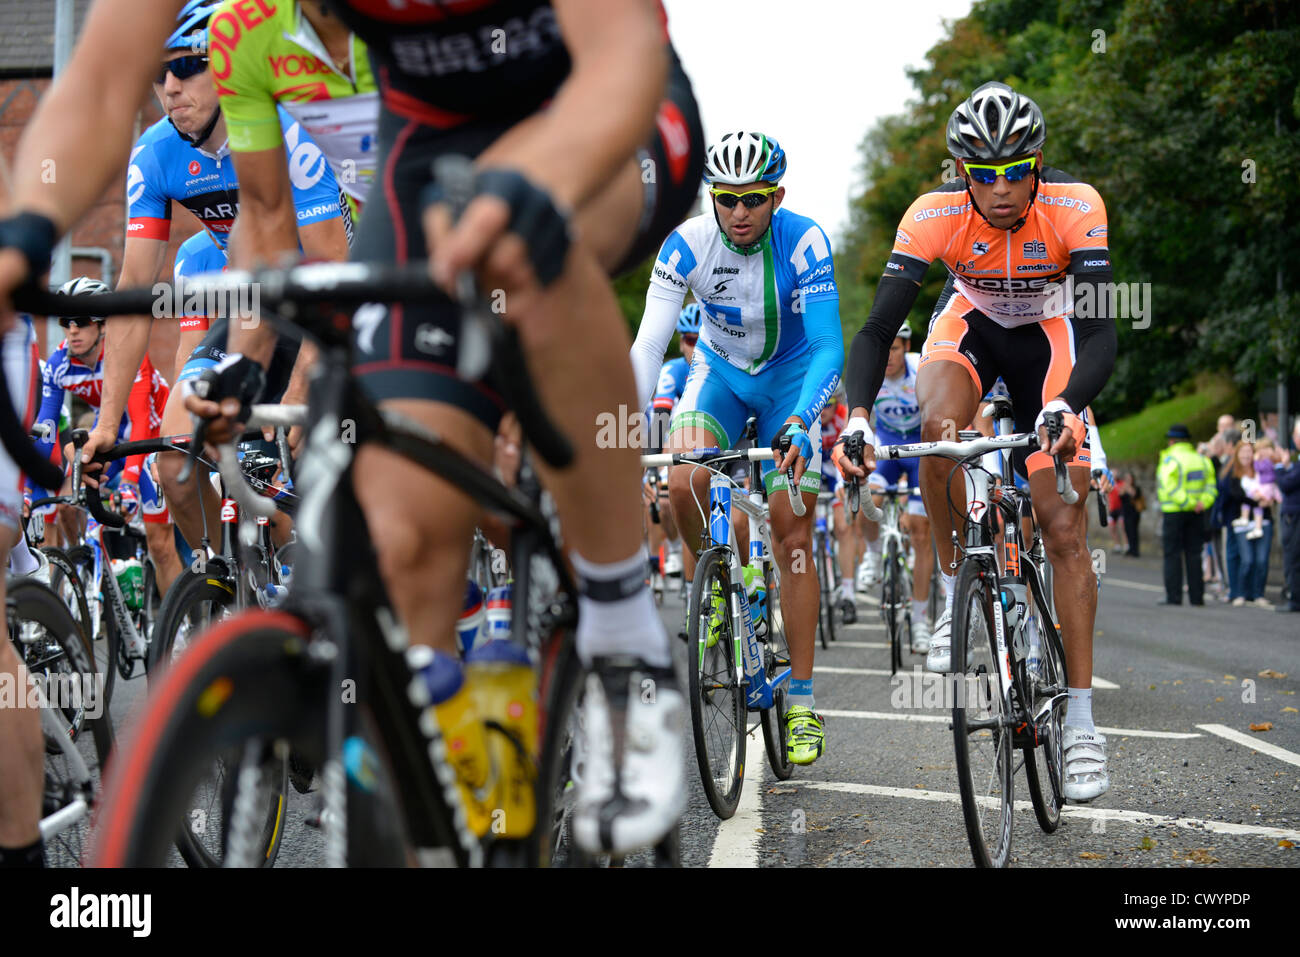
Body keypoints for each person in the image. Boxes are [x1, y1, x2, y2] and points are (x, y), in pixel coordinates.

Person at [835, 81, 1116, 802]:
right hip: (973, 326)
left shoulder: (1075, 207)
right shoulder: (932, 215)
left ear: (1038, 163)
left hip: (1052, 339)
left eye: (1014, 170)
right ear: (962, 172)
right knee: (939, 430)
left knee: (1063, 527)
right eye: (982, 174)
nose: (999, 188)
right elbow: (873, 332)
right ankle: (961, 576)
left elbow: (1102, 332)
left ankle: (1081, 723)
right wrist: (859, 417)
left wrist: (1066, 404)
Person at [630, 130, 844, 766]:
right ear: (713, 198)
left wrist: (805, 421)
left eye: (753, 198)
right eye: (727, 198)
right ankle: (716, 588)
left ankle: (801, 700)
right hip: (721, 375)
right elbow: (647, 346)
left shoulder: (803, 239)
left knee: (792, 528)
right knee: (683, 477)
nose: (740, 211)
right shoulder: (685, 244)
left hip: (792, 381)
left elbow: (830, 345)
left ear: (776, 196)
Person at [1156, 424, 1216, 606]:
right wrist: (1200, 503)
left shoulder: (1170, 459)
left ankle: (1174, 597)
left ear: (1172, 441)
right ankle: (1197, 598)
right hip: (1196, 513)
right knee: (1194, 553)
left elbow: (1169, 485)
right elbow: (1211, 487)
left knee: (1172, 554)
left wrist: (1186, 502)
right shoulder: (1202, 459)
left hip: (1174, 512)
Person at [1218, 440, 1274, 607]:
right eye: (1242, 452)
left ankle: (1257, 593)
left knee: (1261, 560)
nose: (1246, 455)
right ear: (1236, 454)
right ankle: (1239, 592)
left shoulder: (1260, 469)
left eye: (1249, 452)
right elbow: (1236, 495)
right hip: (1241, 522)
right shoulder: (1233, 473)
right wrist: (1258, 501)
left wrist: (1268, 498)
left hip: (1262, 520)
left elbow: (1271, 483)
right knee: (1246, 559)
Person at [1273, 418, 1300, 613]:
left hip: (1295, 515)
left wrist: (1280, 467)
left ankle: (1295, 599)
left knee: (1293, 557)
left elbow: (1286, 484)